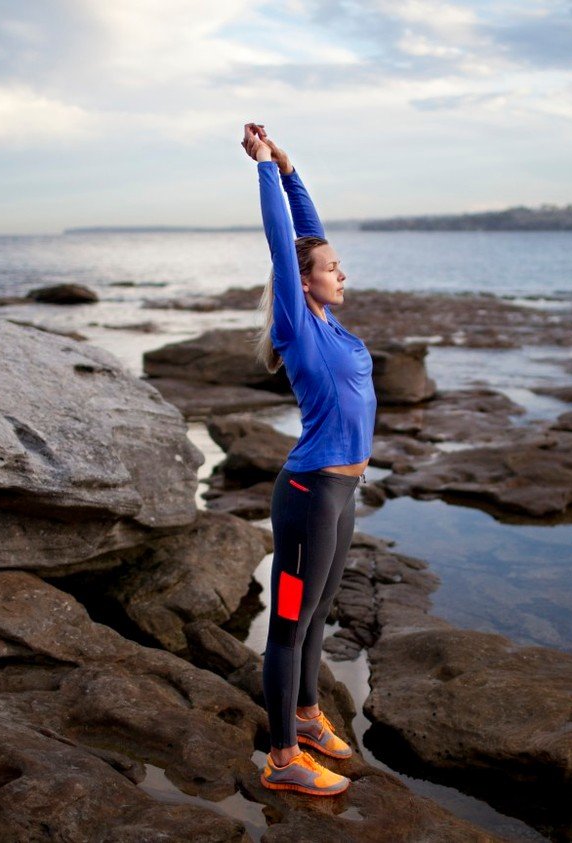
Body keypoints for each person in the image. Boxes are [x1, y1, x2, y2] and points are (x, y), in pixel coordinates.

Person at [240, 122, 376, 797]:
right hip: (309, 495)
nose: (341, 274)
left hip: (343, 494)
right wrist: (265, 168)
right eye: (331, 269)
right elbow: (284, 243)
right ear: (303, 281)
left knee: (318, 610)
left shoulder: (332, 324)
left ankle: (306, 714)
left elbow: (308, 237)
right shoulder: (297, 323)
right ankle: (283, 757)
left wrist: (293, 173)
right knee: (289, 626)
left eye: (339, 266)